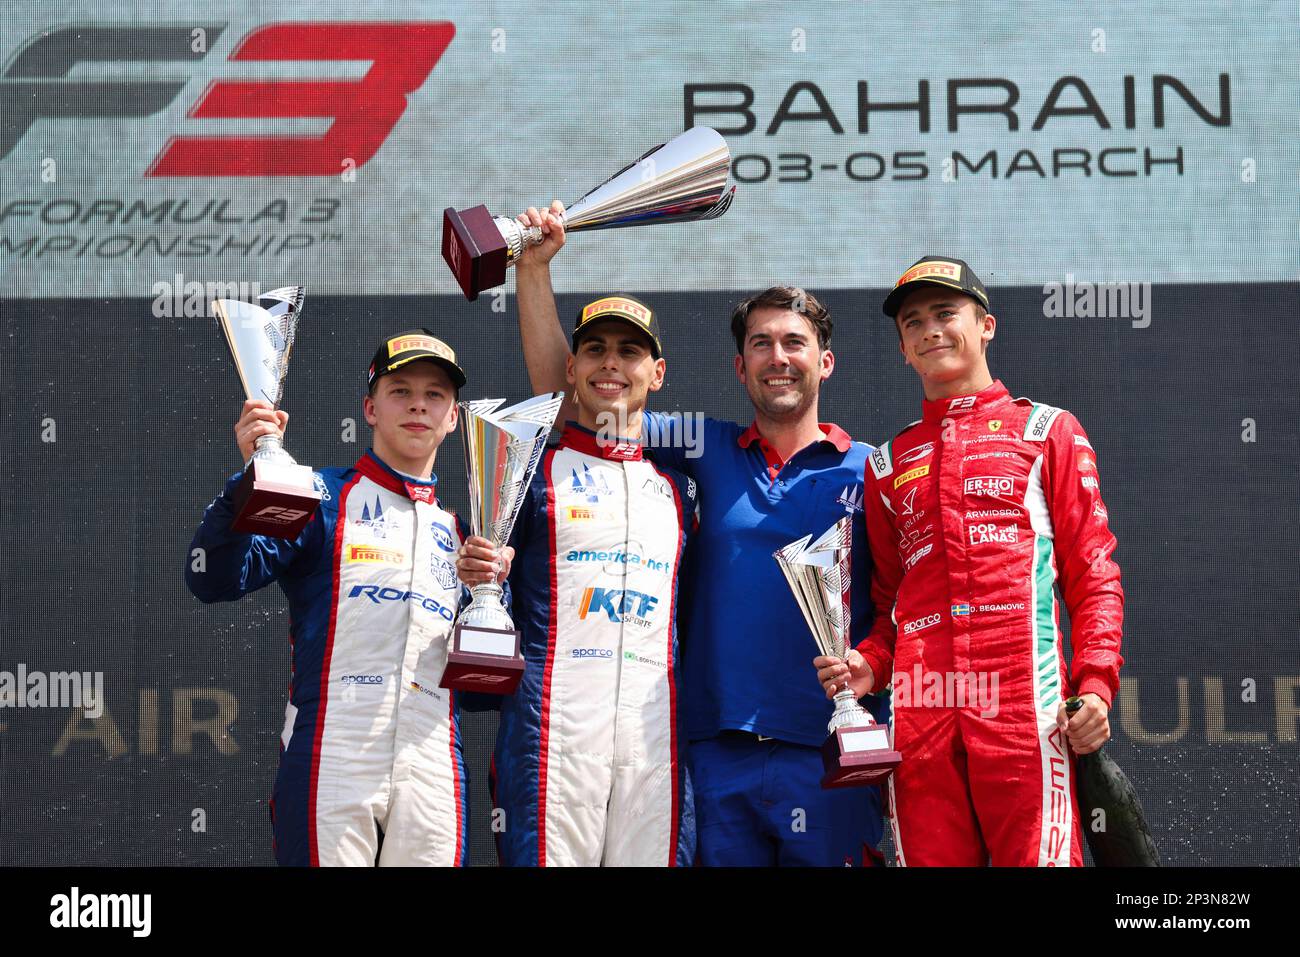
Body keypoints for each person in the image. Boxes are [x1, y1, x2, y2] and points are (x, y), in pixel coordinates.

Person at [502, 202, 888, 867]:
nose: (778, 358)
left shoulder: (873, 470)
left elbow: (907, 600)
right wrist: (533, 273)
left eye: (794, 343)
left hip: (828, 751)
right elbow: (581, 402)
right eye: (761, 344)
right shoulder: (702, 447)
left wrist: (873, 663)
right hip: (714, 756)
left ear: (826, 362)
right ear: (740, 369)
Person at [815, 256, 1125, 866]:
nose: (930, 330)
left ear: (986, 325)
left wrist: (1095, 686)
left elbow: (1095, 574)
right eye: (913, 323)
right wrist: (867, 668)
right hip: (922, 708)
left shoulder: (1046, 431)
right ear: (902, 348)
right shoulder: (887, 462)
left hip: (1024, 710)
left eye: (944, 314)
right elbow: (889, 609)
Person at [186, 329, 503, 866]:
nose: (418, 405)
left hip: (433, 763)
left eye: (435, 395)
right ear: (370, 408)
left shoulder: (470, 536)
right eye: (400, 391)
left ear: (454, 418)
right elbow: (215, 579)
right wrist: (250, 482)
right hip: (332, 751)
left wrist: (496, 596)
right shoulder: (318, 496)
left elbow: (480, 694)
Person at [458, 288, 699, 866]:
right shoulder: (524, 476)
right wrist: (475, 578)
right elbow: (480, 592)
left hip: (654, 745)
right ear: (572, 368)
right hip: (550, 737)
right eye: (594, 349)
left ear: (657, 373)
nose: (610, 363)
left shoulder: (680, 491)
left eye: (629, 351)